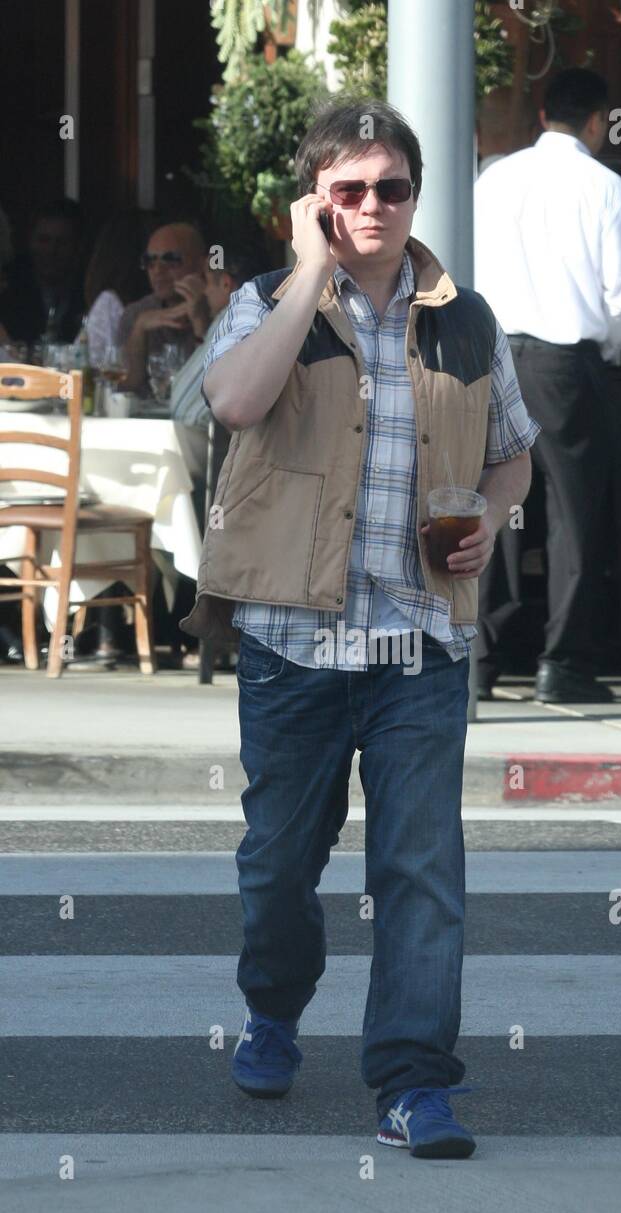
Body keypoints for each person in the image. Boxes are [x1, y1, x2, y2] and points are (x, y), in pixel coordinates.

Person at [180, 98, 538, 1159]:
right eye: (349, 189)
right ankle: (273, 1008)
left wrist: (491, 516)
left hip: (419, 644)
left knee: (421, 873)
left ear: (414, 196)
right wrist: (308, 273)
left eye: (391, 187)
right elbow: (233, 403)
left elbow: (513, 453)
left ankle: (413, 1082)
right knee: (278, 867)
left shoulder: (467, 320)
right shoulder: (265, 302)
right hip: (294, 645)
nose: (373, 205)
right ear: (315, 201)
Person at [474, 67, 621, 703]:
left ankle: (480, 660)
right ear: (597, 121)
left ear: (543, 115)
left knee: (494, 508)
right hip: (566, 367)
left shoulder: (494, 179)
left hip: (493, 359)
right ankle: (563, 663)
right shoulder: (607, 188)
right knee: (575, 516)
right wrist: (607, 346)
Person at [117, 220, 210, 396]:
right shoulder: (136, 313)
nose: (158, 270)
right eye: (150, 261)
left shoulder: (221, 310)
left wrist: (201, 322)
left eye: (171, 260)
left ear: (201, 265)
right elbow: (126, 388)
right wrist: (139, 330)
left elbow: (216, 387)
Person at [170, 247, 251, 427]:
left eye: (206, 282)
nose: (205, 292)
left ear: (226, 284)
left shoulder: (233, 319)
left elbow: (187, 407)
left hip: (198, 437)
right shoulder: (243, 318)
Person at [0, 197, 86, 346]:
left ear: (78, 247)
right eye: (44, 240)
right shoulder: (9, 290)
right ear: (30, 242)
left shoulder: (88, 291)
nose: (51, 251)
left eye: (62, 242)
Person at [71, 211, 151, 367]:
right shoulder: (110, 303)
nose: (158, 267)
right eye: (150, 258)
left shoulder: (156, 305)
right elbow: (88, 367)